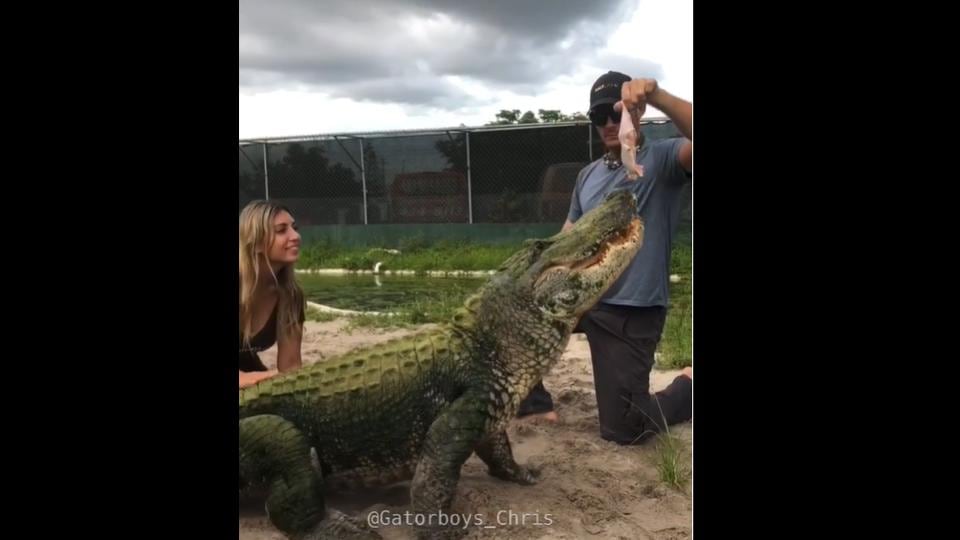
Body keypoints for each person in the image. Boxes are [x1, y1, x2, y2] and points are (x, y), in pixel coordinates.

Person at [517, 71, 693, 444]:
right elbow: (567, 237)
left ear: (636, 113)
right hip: (583, 299)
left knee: (624, 430)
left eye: (618, 113)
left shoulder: (661, 158)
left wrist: (659, 95)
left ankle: (687, 388)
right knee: (513, 311)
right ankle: (534, 403)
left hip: (631, 311)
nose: (610, 124)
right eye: (600, 117)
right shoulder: (587, 176)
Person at [238, 200, 306, 389]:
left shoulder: (291, 295)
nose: (296, 236)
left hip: (248, 370)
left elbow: (291, 368)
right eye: (281, 230)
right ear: (256, 243)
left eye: (294, 228)